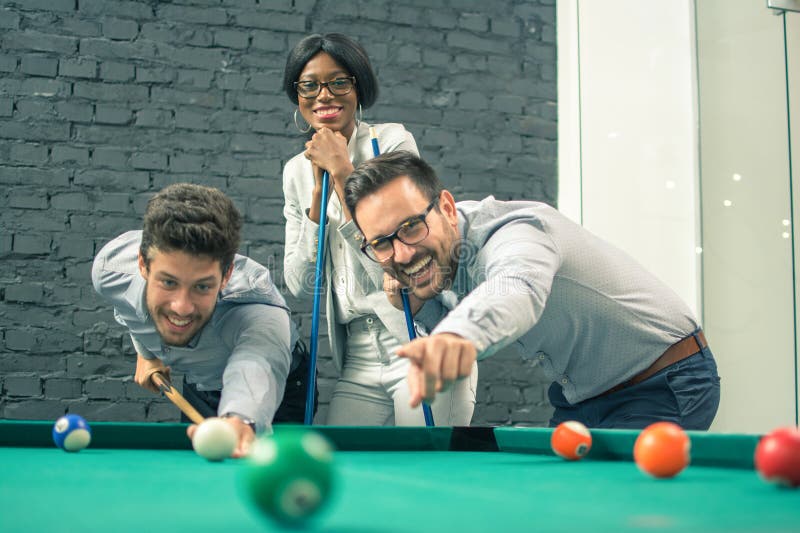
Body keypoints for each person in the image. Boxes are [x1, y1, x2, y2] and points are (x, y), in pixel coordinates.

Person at [343, 151, 721, 430]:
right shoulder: (446, 256)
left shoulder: (517, 231)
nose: (402, 253)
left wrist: (456, 335)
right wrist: (420, 306)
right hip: (584, 398)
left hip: (665, 378)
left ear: (445, 206)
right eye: (381, 243)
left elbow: (515, 288)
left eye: (410, 226)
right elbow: (472, 319)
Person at [281, 33, 476, 426]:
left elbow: (402, 262)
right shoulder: (295, 172)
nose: (324, 95)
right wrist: (318, 202)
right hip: (357, 354)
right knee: (345, 468)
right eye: (309, 85)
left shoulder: (391, 143)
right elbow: (301, 284)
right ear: (297, 95)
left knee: (425, 467)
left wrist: (342, 174)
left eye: (339, 81)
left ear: (359, 87)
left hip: (416, 335)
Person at [92, 183, 312, 457]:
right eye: (168, 282)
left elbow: (258, 362)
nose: (182, 307)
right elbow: (130, 310)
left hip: (279, 394)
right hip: (200, 384)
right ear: (142, 265)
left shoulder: (255, 308)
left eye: (202, 287)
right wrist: (146, 353)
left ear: (227, 275)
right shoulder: (109, 271)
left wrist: (242, 419)